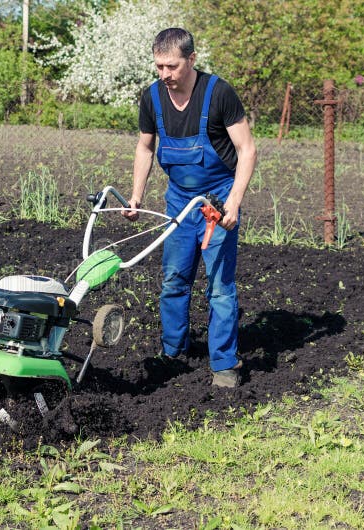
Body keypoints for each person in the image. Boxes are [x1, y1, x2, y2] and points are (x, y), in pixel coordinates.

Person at [122, 27, 257, 388]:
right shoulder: (152, 97)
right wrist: (136, 196)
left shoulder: (218, 94)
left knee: (219, 286)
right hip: (179, 200)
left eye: (171, 66)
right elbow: (145, 148)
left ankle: (225, 364)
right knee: (174, 280)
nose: (164, 74)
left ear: (191, 60)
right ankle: (173, 352)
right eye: (159, 67)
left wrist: (234, 201)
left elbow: (246, 150)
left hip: (216, 200)